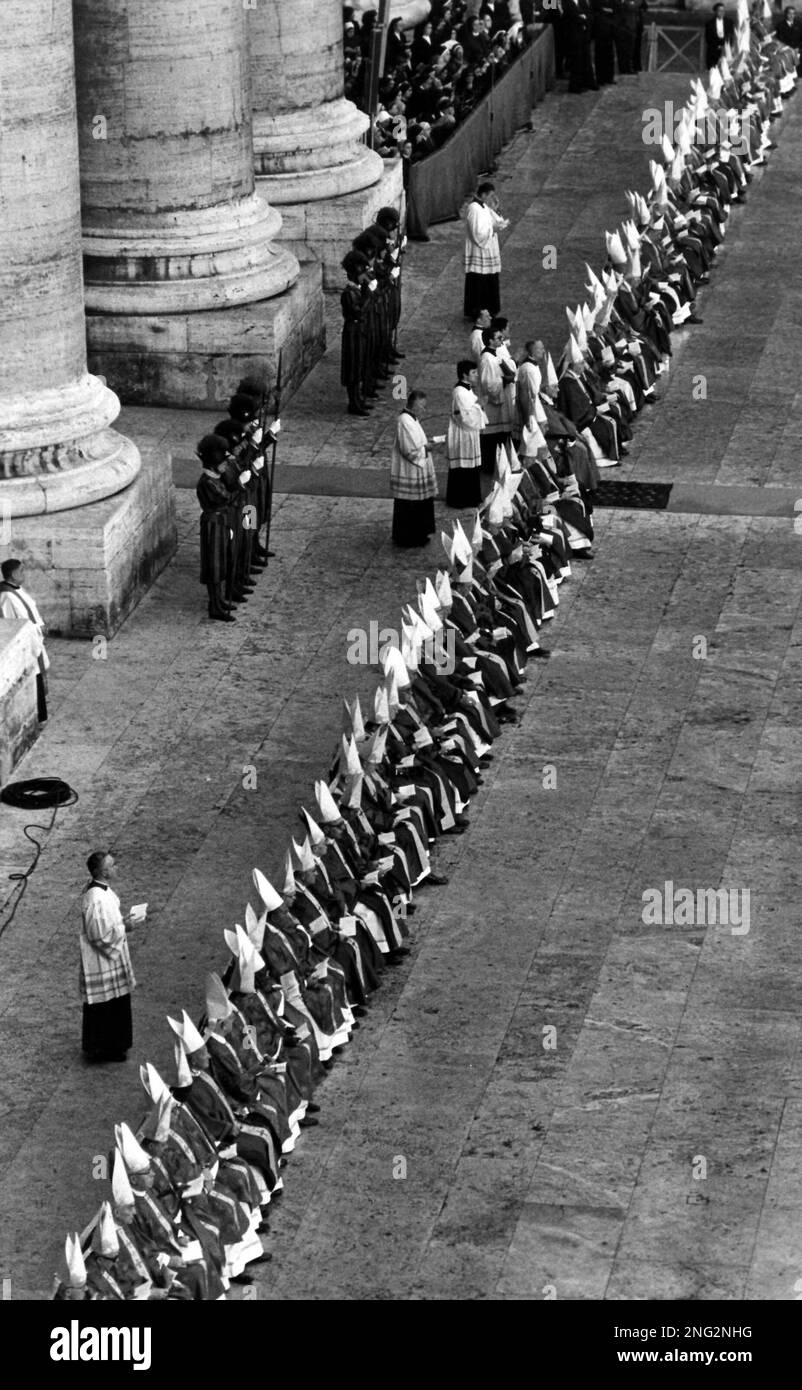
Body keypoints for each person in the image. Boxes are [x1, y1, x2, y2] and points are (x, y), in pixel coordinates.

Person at [80, 850, 138, 1063]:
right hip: (103, 962)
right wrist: (124, 928)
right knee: (107, 1007)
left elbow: (104, 925)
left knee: (114, 1003)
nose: (116, 868)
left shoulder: (102, 893)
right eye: (112, 865)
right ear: (103, 872)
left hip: (108, 960)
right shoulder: (97, 899)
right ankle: (106, 1048)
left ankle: (112, 1046)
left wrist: (120, 921)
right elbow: (98, 935)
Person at [0, 558, 49, 720]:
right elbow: (13, 623)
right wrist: (38, 629)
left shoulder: (16, 589)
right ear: (13, 574)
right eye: (22, 571)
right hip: (27, 642)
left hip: (34, 636)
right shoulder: (7, 595)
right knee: (32, 673)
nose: (24, 574)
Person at [390, 390, 439, 548]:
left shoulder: (412, 418)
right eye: (422, 406)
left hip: (416, 468)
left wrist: (426, 443)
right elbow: (408, 449)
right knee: (410, 505)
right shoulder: (404, 421)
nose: (424, 410)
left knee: (419, 503)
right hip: (409, 470)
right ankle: (408, 537)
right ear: (414, 405)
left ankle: (419, 533)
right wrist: (426, 449)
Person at [446, 359, 487, 508]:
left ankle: (472, 498)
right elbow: (464, 416)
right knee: (463, 469)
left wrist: (478, 406)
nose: (477, 375)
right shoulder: (460, 392)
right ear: (464, 375)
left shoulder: (467, 389)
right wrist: (480, 405)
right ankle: (461, 500)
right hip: (463, 433)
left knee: (471, 468)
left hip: (470, 433)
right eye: (473, 373)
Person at [463, 182, 508, 319]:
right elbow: (477, 233)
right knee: (479, 282)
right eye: (491, 195)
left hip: (488, 249)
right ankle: (477, 311)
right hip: (479, 251)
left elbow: (497, 221)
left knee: (489, 280)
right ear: (483, 195)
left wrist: (495, 208)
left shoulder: (484, 207)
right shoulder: (474, 208)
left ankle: (490, 309)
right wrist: (492, 230)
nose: (493, 198)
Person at [704, 3, 735, 69]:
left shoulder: (729, 22)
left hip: (726, 49)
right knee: (713, 69)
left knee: (726, 69)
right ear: (715, 12)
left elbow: (731, 35)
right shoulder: (709, 23)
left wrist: (728, 46)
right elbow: (708, 38)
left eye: (723, 11)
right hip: (714, 49)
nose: (722, 13)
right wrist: (718, 44)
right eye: (720, 11)